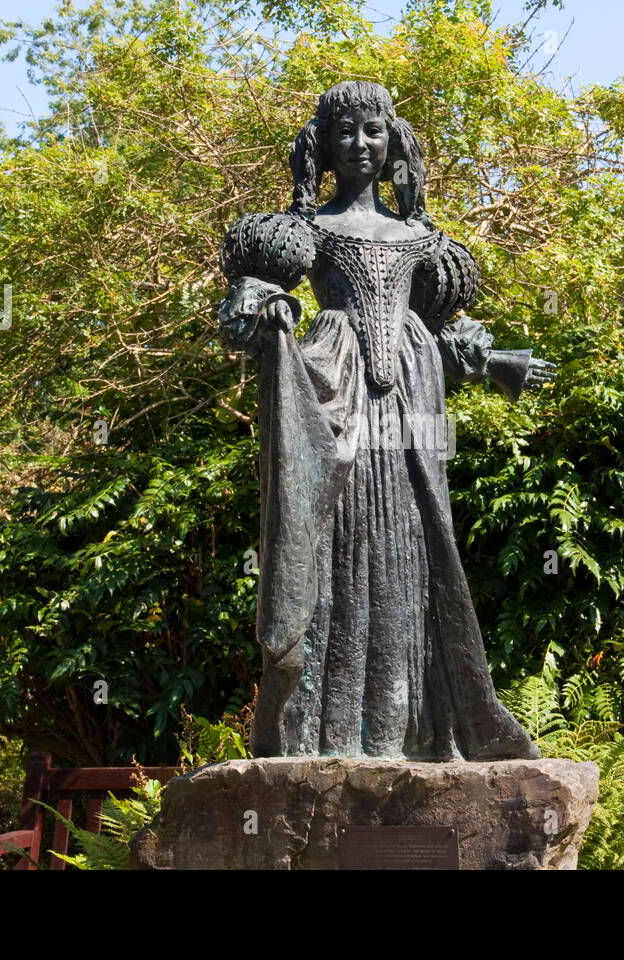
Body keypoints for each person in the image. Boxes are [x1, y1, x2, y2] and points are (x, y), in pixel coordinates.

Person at [218, 81, 555, 761]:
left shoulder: (423, 240)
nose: (361, 145)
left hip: (410, 412)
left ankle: (414, 738)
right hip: (334, 404)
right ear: (322, 146)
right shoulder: (301, 232)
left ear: (393, 139)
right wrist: (267, 315)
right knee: (331, 560)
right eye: (345, 132)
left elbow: (446, 341)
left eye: (373, 131)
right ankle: (325, 739)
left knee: (413, 558)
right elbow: (244, 316)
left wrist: (497, 363)